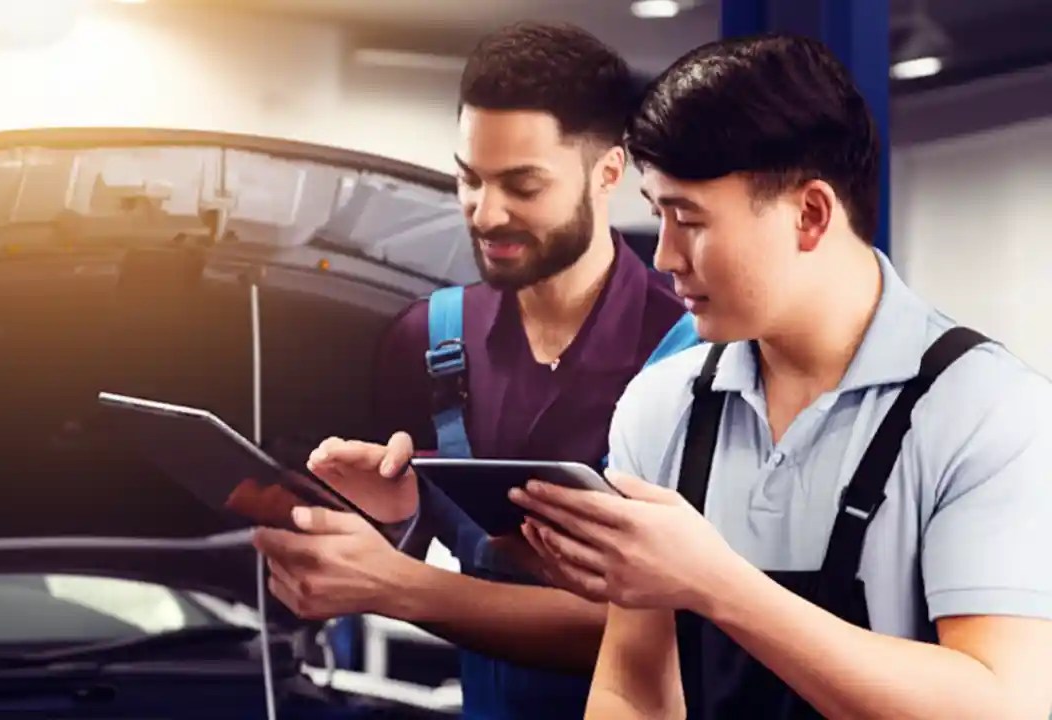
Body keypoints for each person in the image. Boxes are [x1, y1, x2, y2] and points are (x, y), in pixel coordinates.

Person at [509, 33, 1052, 718]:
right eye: (658, 216)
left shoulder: (989, 413)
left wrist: (716, 585)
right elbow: (632, 686)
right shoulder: (660, 405)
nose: (667, 256)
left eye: (689, 219)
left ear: (811, 214)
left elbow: (1002, 704)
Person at [251, 22, 699, 720]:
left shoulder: (688, 356)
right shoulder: (425, 339)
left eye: (522, 184)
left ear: (610, 172)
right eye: (469, 179)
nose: (486, 214)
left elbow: (669, 631)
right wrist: (395, 515)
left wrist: (398, 586)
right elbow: (425, 548)